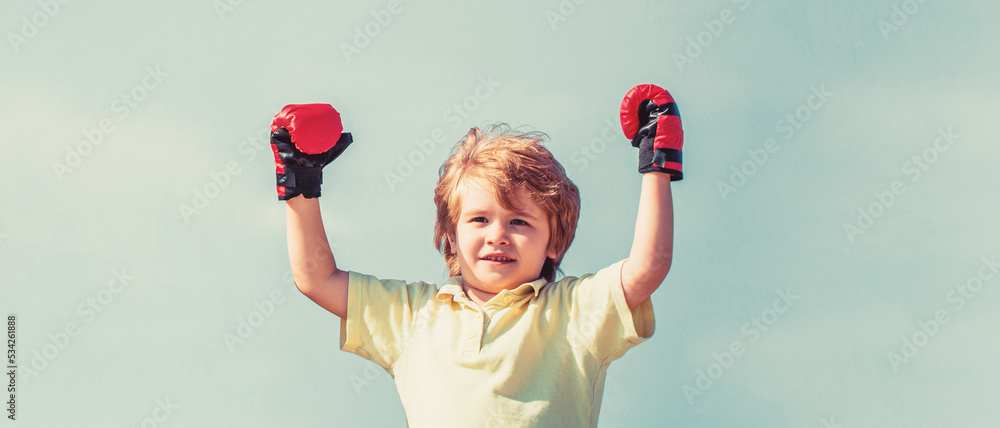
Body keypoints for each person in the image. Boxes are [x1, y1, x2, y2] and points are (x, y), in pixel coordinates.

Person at [271, 84, 681, 427]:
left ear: (554, 243)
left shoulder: (572, 312)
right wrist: (301, 184)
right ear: (451, 235)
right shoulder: (413, 314)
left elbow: (648, 266)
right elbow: (316, 279)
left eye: (519, 222)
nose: (497, 235)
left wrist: (657, 163)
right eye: (479, 219)